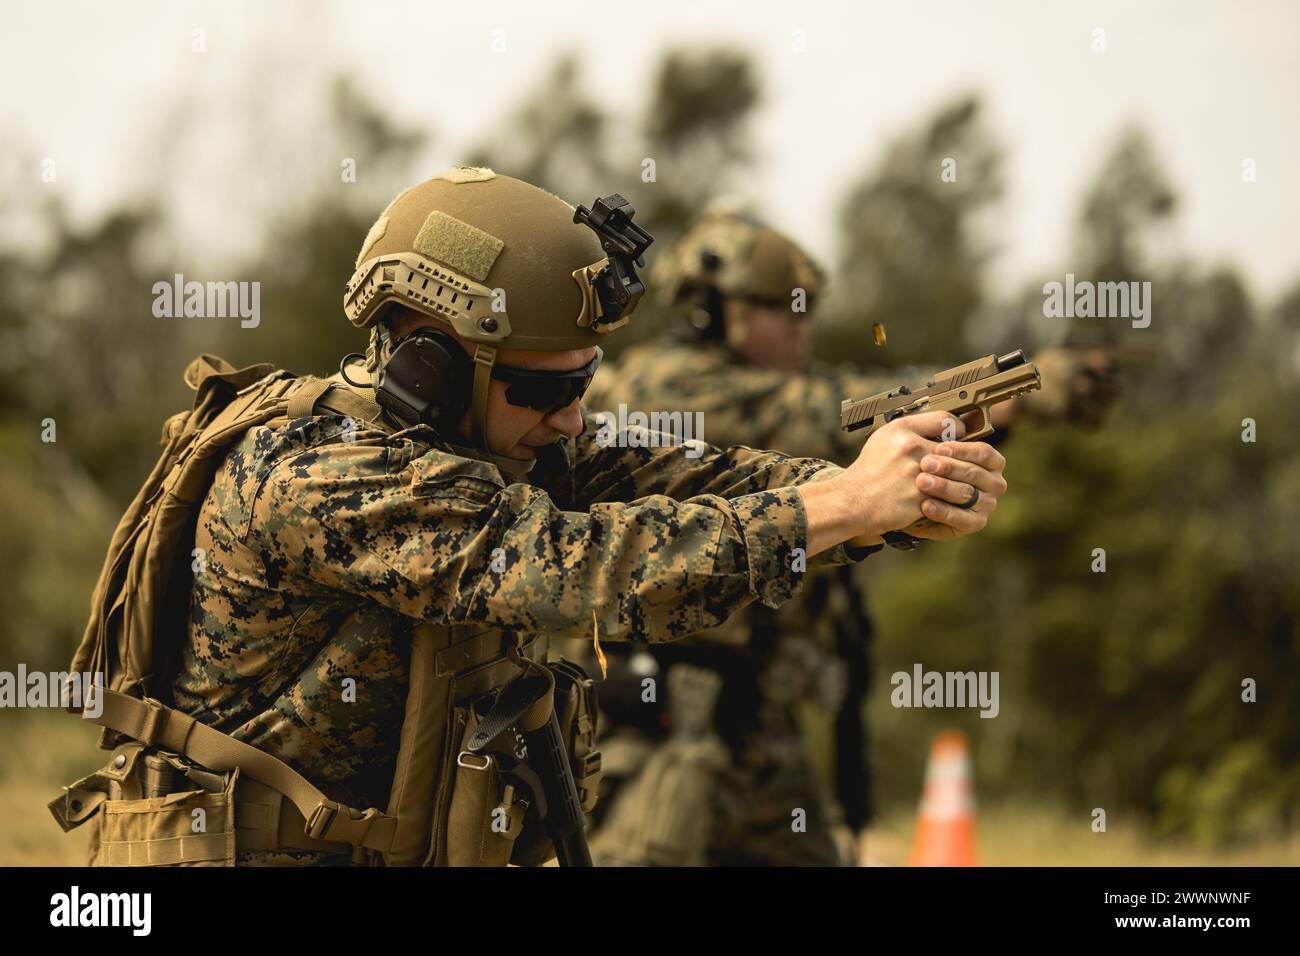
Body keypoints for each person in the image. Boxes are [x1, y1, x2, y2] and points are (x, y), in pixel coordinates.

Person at [53, 171, 1008, 867]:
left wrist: (891, 491)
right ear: (430, 363)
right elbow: (580, 566)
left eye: (584, 381)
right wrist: (838, 504)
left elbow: (684, 475)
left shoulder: (498, 443)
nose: (572, 416)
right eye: (545, 386)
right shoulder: (318, 474)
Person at [582, 208, 1111, 866]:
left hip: (759, 722)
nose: (802, 325)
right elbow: (831, 414)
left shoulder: (769, 390)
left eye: (806, 310)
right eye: (782, 309)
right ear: (722, 311)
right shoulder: (661, 386)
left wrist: (999, 399)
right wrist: (1015, 389)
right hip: (665, 726)